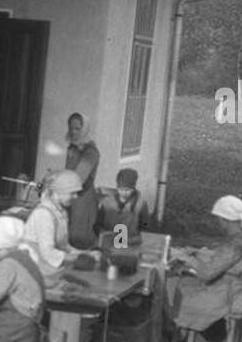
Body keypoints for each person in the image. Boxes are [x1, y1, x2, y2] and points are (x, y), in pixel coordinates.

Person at [167, 195, 242, 342]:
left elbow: (206, 274)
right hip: (232, 287)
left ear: (225, 219)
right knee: (182, 283)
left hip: (227, 294)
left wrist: (189, 261)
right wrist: (197, 252)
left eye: (218, 219)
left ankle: (181, 339)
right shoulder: (241, 238)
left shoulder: (235, 244)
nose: (218, 222)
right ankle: (184, 337)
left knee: (174, 294)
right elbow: (222, 259)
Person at [23, 169, 91, 287]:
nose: (75, 197)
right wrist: (78, 258)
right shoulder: (44, 214)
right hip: (37, 271)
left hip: (50, 267)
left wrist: (85, 253)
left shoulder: (61, 212)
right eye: (72, 193)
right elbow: (48, 253)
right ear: (58, 191)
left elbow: (64, 246)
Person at [64, 113, 100, 248]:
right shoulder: (73, 148)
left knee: (80, 238)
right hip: (71, 195)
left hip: (83, 199)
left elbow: (78, 179)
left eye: (77, 129)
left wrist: (58, 181)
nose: (73, 132)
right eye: (71, 128)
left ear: (85, 129)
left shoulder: (90, 152)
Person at [96, 168, 151, 243]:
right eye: (121, 189)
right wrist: (104, 234)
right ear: (117, 187)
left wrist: (136, 239)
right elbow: (98, 224)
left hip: (131, 243)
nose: (124, 193)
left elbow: (145, 227)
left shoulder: (140, 204)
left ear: (134, 188)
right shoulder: (107, 202)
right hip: (109, 243)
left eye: (128, 190)